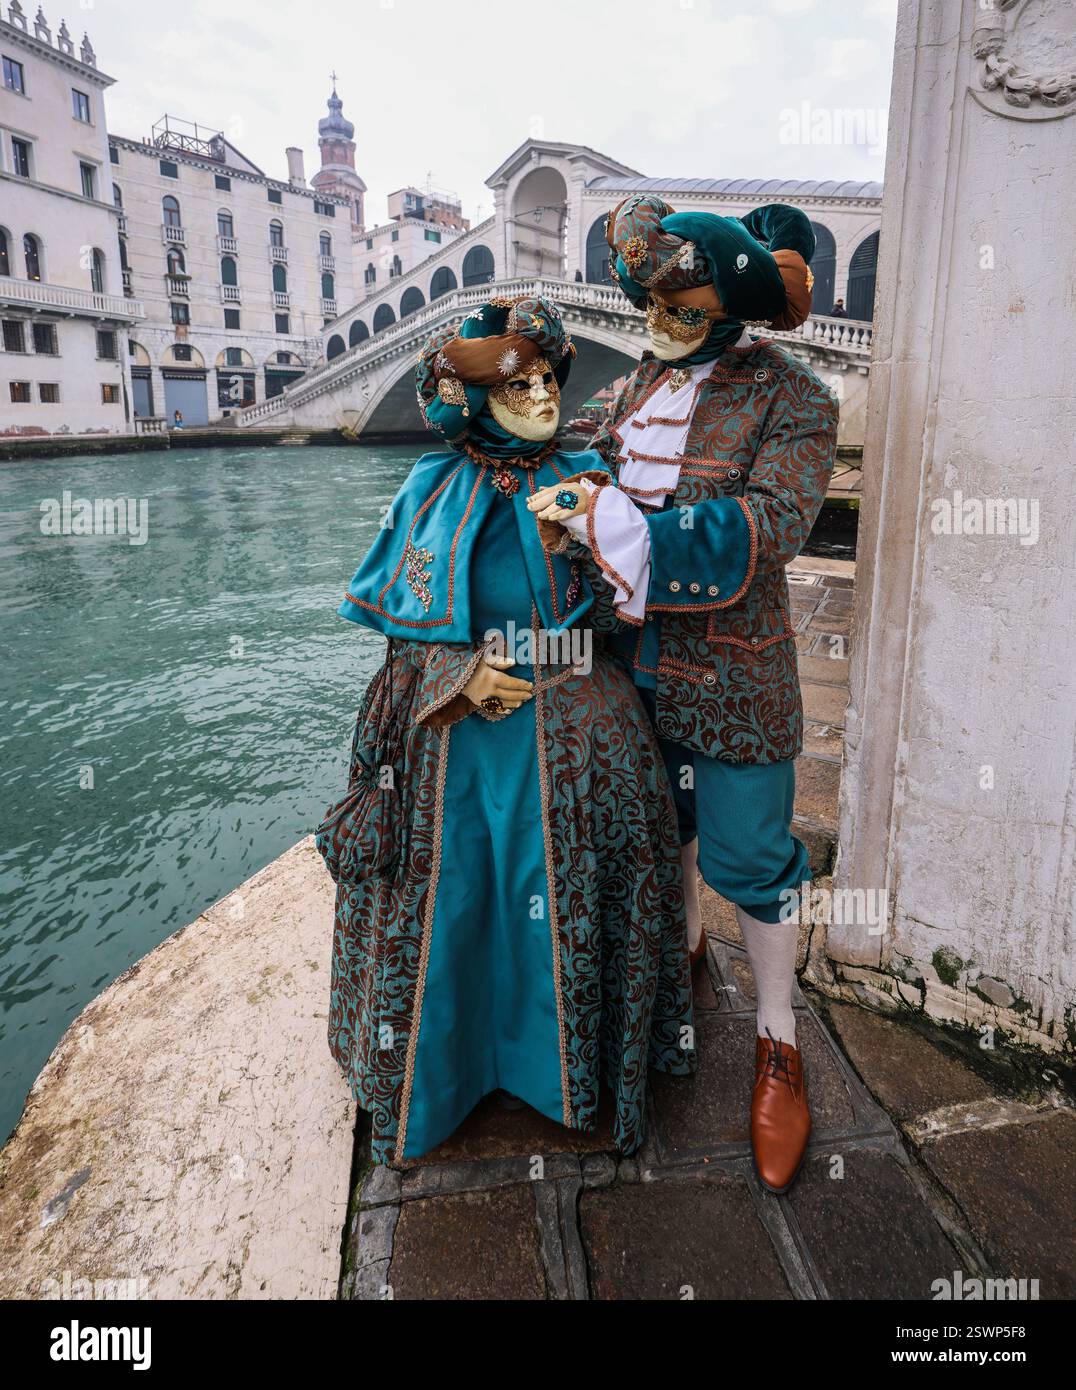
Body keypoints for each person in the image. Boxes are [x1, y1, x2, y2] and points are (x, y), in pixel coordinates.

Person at [317, 293, 696, 1165]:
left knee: (562, 890)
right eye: (513, 386)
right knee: (462, 897)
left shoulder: (591, 476)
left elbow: (626, 611)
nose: (538, 399)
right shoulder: (429, 489)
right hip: (461, 740)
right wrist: (458, 675)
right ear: (472, 403)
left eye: (543, 379)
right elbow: (402, 637)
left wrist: (598, 542)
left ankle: (562, 1076)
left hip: (582, 729)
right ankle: (448, 1078)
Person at [528, 197, 837, 1194]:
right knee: (659, 826)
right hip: (623, 667)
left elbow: (767, 524)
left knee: (751, 855)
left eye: (682, 302)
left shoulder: (795, 399)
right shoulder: (628, 392)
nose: (659, 317)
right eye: (651, 299)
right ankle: (684, 950)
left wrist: (616, 524)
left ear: (729, 308)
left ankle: (778, 1041)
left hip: (734, 673)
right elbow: (559, 452)